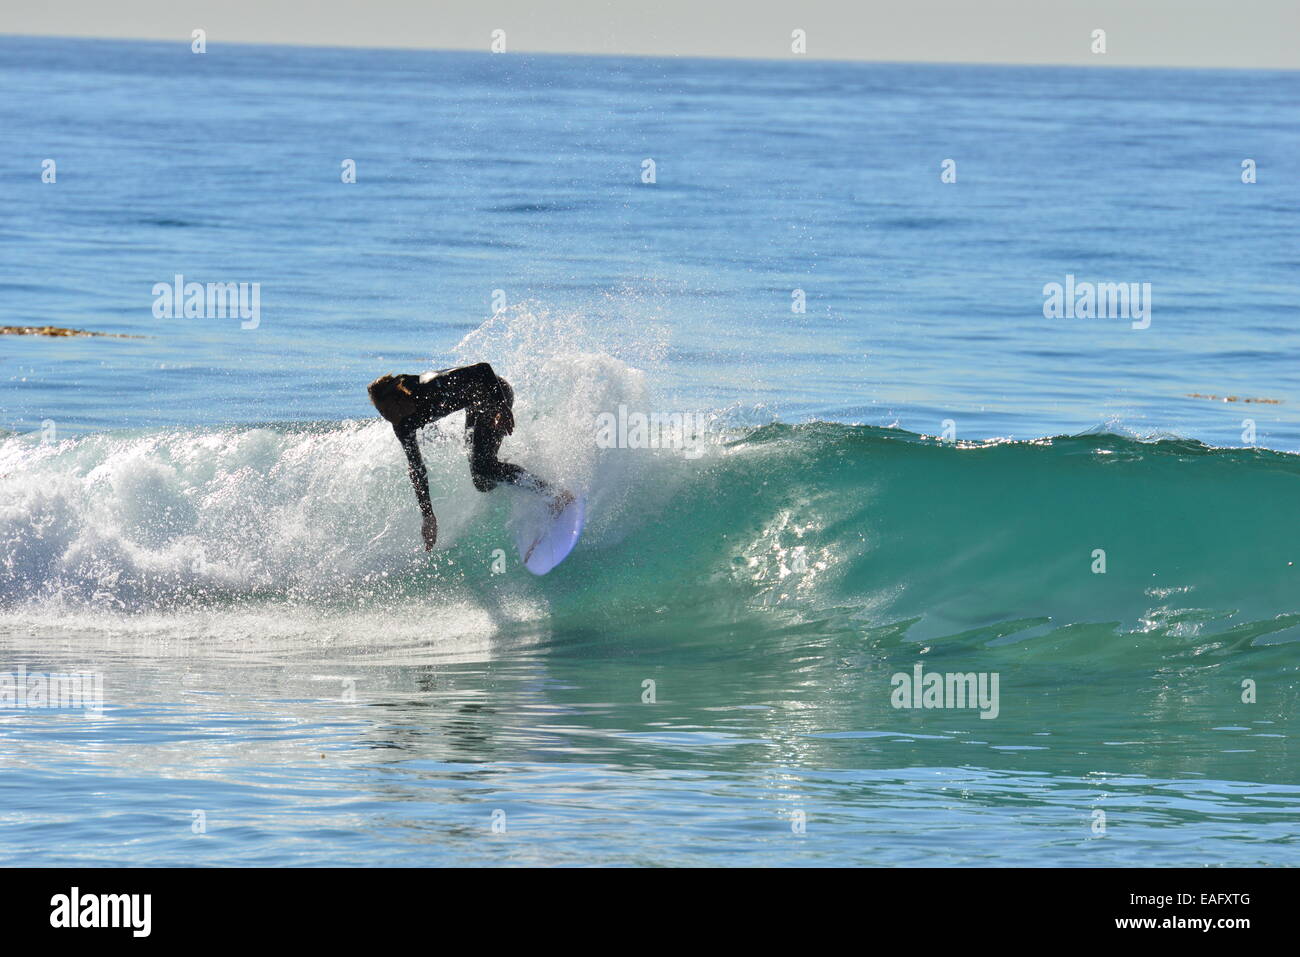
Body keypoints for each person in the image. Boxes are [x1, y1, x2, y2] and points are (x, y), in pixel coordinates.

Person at [368, 363, 569, 549]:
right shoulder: (403, 425)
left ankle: (556, 495)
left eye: (385, 409)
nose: (384, 416)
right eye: (380, 411)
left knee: (484, 467)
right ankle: (513, 468)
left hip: (494, 394)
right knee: (482, 482)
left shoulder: (430, 386)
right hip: (475, 406)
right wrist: (428, 515)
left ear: (399, 399)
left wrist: (501, 407)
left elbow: (482, 369)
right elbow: (416, 467)